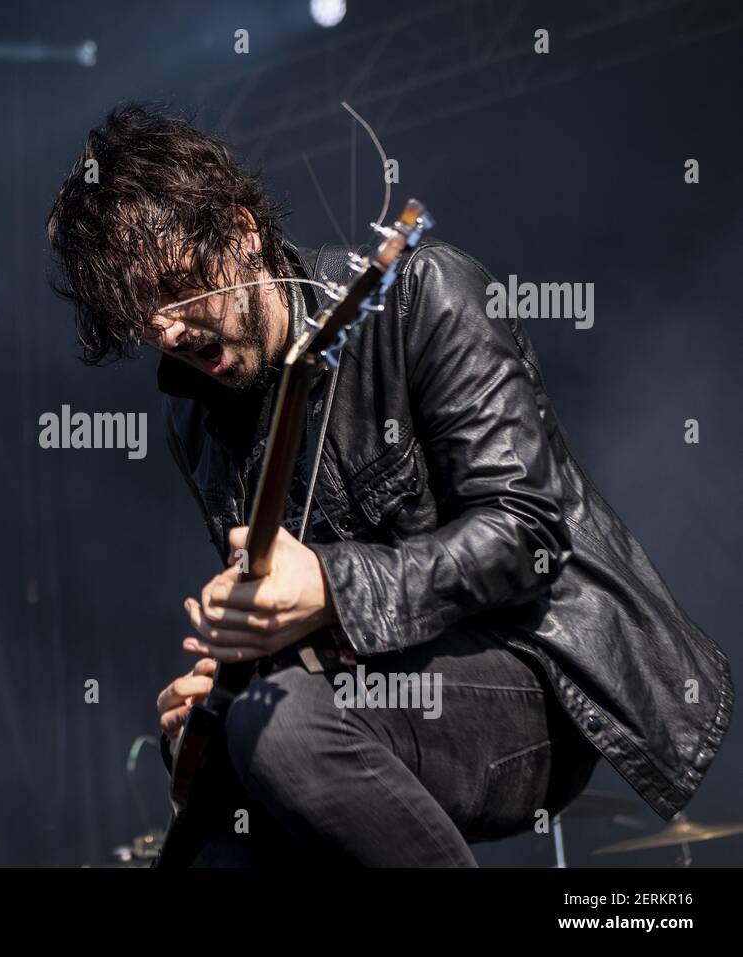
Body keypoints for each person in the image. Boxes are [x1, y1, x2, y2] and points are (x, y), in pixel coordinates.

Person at [45, 104, 732, 865]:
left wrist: (330, 589)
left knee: (281, 729)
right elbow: (292, 633)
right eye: (144, 314)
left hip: (540, 678)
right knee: (207, 831)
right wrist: (221, 689)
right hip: (360, 702)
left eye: (178, 288)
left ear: (240, 231)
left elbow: (527, 531)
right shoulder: (196, 414)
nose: (168, 330)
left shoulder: (425, 291)